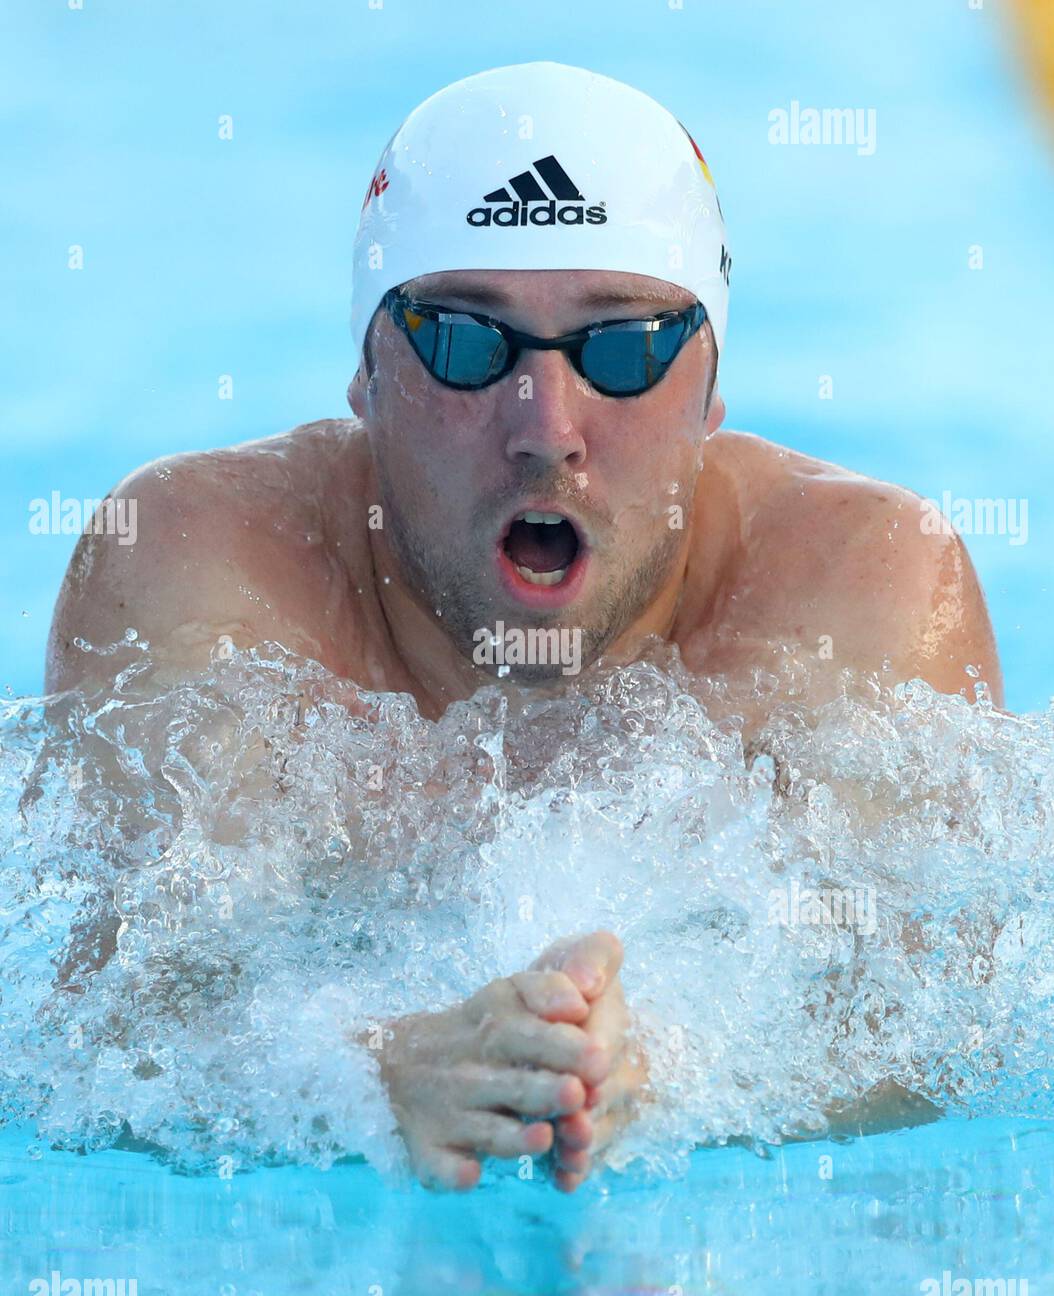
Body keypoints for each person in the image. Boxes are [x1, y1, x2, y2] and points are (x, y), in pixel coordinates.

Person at [45, 62, 1001, 1192]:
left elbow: (969, 1026)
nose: (545, 428)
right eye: (464, 341)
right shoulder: (199, 567)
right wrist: (357, 1075)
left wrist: (674, 1076)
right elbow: (79, 1030)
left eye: (621, 349)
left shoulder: (860, 592)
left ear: (710, 389)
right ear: (366, 371)